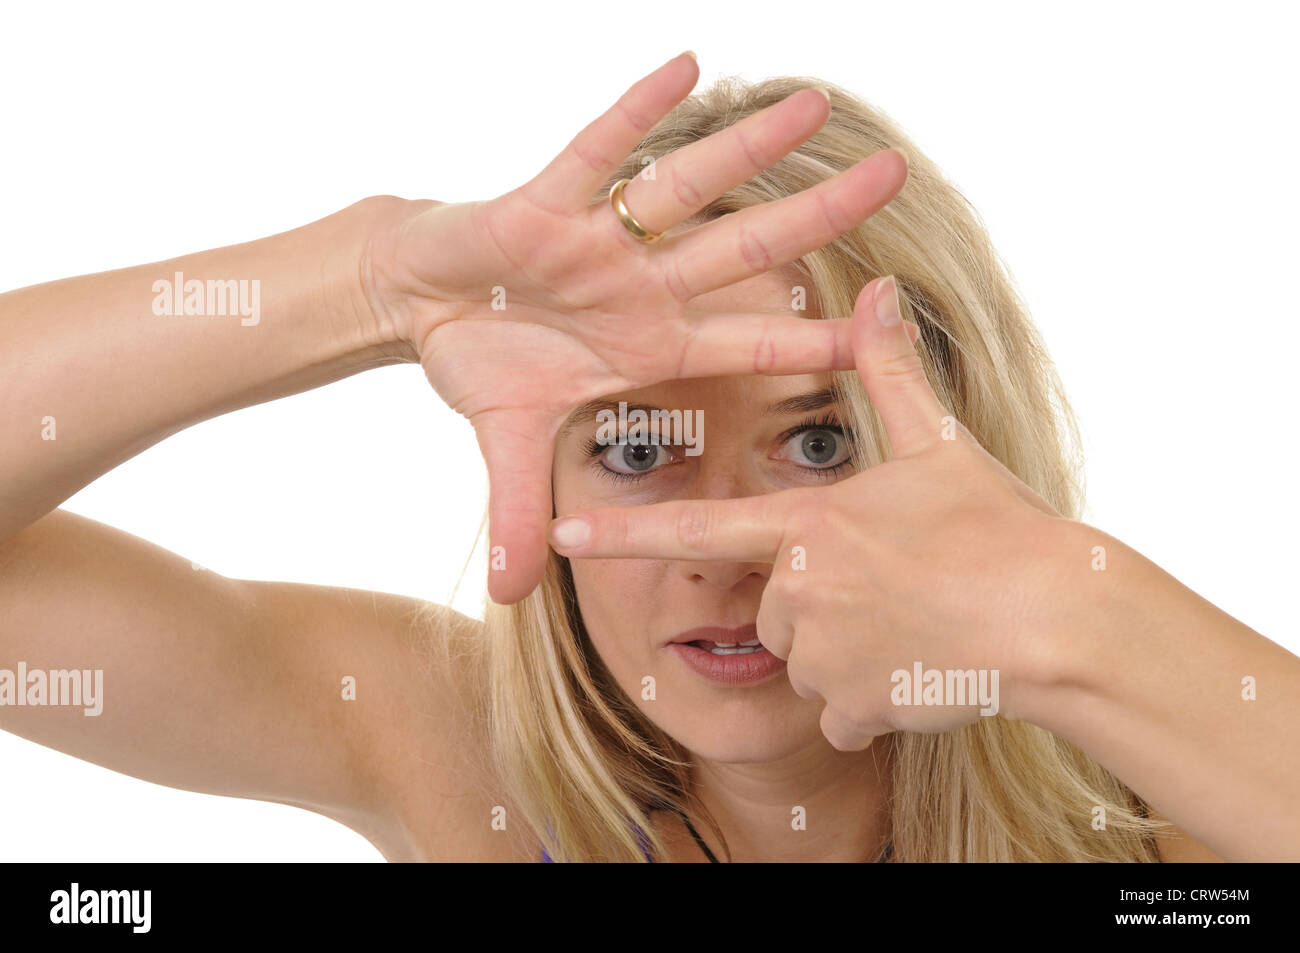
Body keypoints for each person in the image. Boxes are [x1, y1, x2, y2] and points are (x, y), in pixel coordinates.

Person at [1, 52, 1295, 862]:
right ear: (546, 477)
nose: (725, 547)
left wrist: (1057, 602)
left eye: (820, 438)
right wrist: (373, 281)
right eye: (636, 445)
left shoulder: (1158, 828)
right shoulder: (453, 754)